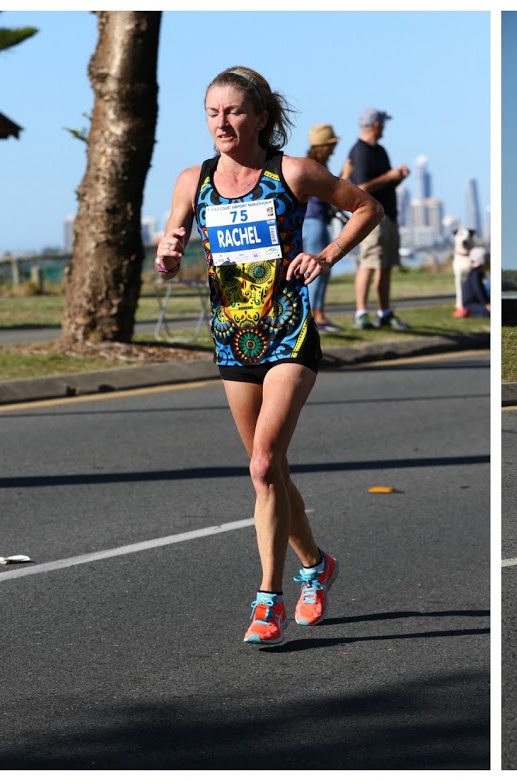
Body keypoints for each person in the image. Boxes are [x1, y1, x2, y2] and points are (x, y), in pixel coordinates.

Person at [153, 66, 382, 646]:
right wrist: (168, 253)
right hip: (233, 337)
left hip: (288, 334)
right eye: (212, 112)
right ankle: (317, 566)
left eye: (233, 112)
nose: (221, 123)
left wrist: (326, 255)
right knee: (271, 471)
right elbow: (171, 248)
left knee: (261, 464)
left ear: (259, 117)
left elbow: (365, 208)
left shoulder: (294, 172)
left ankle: (267, 599)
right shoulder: (193, 181)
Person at [343, 107, 411, 330]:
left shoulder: (380, 151)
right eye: (382, 124)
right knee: (369, 264)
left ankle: (384, 312)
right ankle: (361, 313)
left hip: (388, 215)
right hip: (372, 218)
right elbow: (360, 187)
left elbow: (385, 183)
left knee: (385, 265)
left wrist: (396, 178)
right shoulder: (360, 152)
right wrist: (389, 176)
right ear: (376, 125)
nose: (384, 128)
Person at [302, 123, 342, 333]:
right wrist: (347, 173)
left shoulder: (310, 165)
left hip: (311, 222)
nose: (335, 148)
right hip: (315, 222)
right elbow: (332, 191)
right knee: (319, 269)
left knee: (317, 269)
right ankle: (316, 316)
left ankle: (316, 314)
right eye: (332, 144)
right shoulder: (316, 167)